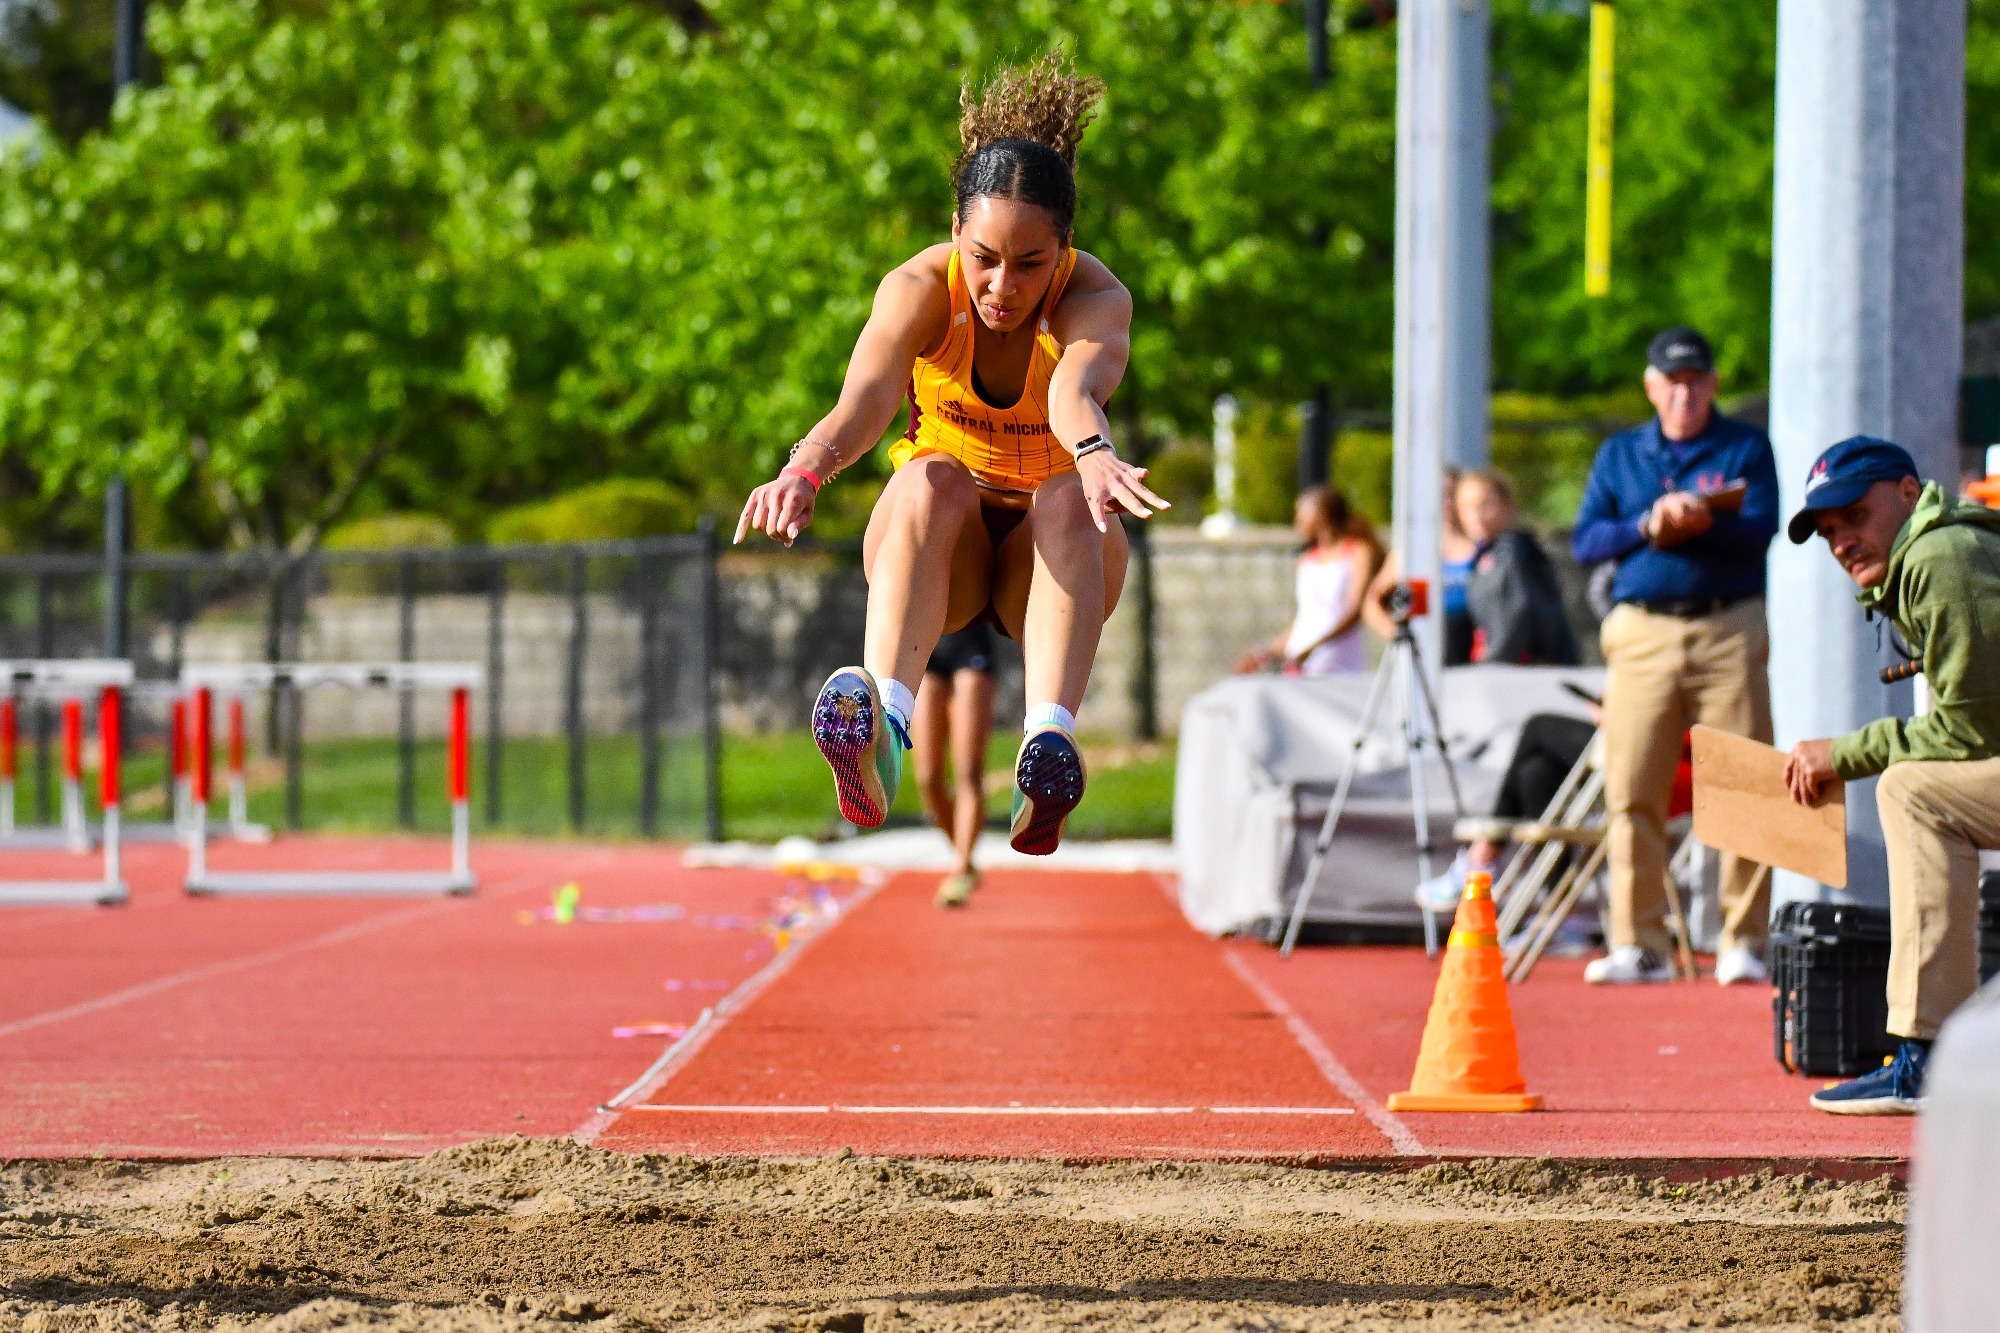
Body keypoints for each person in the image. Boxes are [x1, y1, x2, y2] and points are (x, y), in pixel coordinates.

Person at [734, 54, 1166, 856]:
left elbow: (1075, 391)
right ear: (957, 232)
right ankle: (881, 727)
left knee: (1070, 494)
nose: (1002, 286)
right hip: (947, 552)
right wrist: (806, 467)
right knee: (931, 475)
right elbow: (862, 403)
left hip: (1050, 566)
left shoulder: (1096, 300)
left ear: (1064, 250)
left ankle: (1048, 750)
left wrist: (1097, 452)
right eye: (985, 258)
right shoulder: (918, 289)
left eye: (1031, 264)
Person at [1781, 437, 2000, 1114]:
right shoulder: (1932, 555)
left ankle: (1929, 1056)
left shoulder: (1942, 556)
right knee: (1917, 781)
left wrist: (1843, 754)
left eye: (1853, 513)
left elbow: (1973, 733)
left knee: (1911, 789)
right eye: (1827, 531)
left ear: (1909, 490)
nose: (1841, 539)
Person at [1571, 326, 1780, 987]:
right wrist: (1647, 525)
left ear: (1713, 383)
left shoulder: (1744, 445)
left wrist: (1703, 521)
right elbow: (1586, 540)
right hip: (1642, 632)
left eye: (1695, 379)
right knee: (1632, 784)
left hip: (1727, 624)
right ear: (1652, 385)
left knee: (1745, 778)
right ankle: (1640, 943)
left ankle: (1743, 939)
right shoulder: (1622, 452)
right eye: (1673, 380)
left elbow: (1764, 528)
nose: (1684, 392)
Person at [1238, 486, 1385, 676]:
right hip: (1301, 664)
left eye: (1300, 513)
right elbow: (1305, 618)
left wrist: (1314, 647)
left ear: (1319, 515)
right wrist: (1265, 652)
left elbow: (1353, 612)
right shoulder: (1307, 560)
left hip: (1338, 664)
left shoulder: (1358, 552)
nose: (1296, 521)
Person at [1457, 469, 1579, 667]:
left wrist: (1494, 660)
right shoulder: (1487, 553)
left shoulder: (1513, 550)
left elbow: (1520, 611)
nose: (1476, 515)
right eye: (1467, 507)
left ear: (1505, 505)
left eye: (1485, 504)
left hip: (1522, 670)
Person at [915, 624, 999, 908]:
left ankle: (961, 868)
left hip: (971, 647)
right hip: (927, 646)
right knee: (928, 777)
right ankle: (965, 857)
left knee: (968, 772)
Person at [1362, 468, 1478, 663]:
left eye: (1453, 494)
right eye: (1440, 495)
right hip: (1427, 653)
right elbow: (1373, 605)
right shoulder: (1413, 548)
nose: (1447, 502)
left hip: (1472, 654)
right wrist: (1400, 639)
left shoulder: (1479, 544)